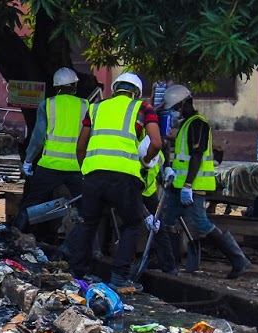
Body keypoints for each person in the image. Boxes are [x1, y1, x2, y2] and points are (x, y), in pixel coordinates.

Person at [63, 72, 162, 285]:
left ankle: (78, 274)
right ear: (136, 93)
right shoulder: (143, 108)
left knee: (89, 223)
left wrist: (86, 170)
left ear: (115, 89)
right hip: (125, 177)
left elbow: (80, 146)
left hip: (93, 175)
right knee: (132, 223)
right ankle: (118, 277)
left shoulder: (96, 108)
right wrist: (146, 161)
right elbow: (156, 143)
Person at [157, 85, 251, 278]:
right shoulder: (187, 124)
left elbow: (197, 156)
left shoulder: (197, 124)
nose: (174, 112)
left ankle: (238, 260)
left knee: (201, 224)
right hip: (177, 185)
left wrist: (188, 185)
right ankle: (167, 261)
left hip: (193, 187)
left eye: (176, 107)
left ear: (184, 103)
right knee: (164, 221)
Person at [20, 68, 88, 235]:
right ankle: (87, 245)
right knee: (86, 210)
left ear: (56, 87)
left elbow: (38, 137)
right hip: (76, 167)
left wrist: (28, 160)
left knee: (30, 204)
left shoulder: (47, 105)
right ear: (74, 86)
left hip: (49, 165)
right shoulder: (86, 105)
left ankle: (13, 236)